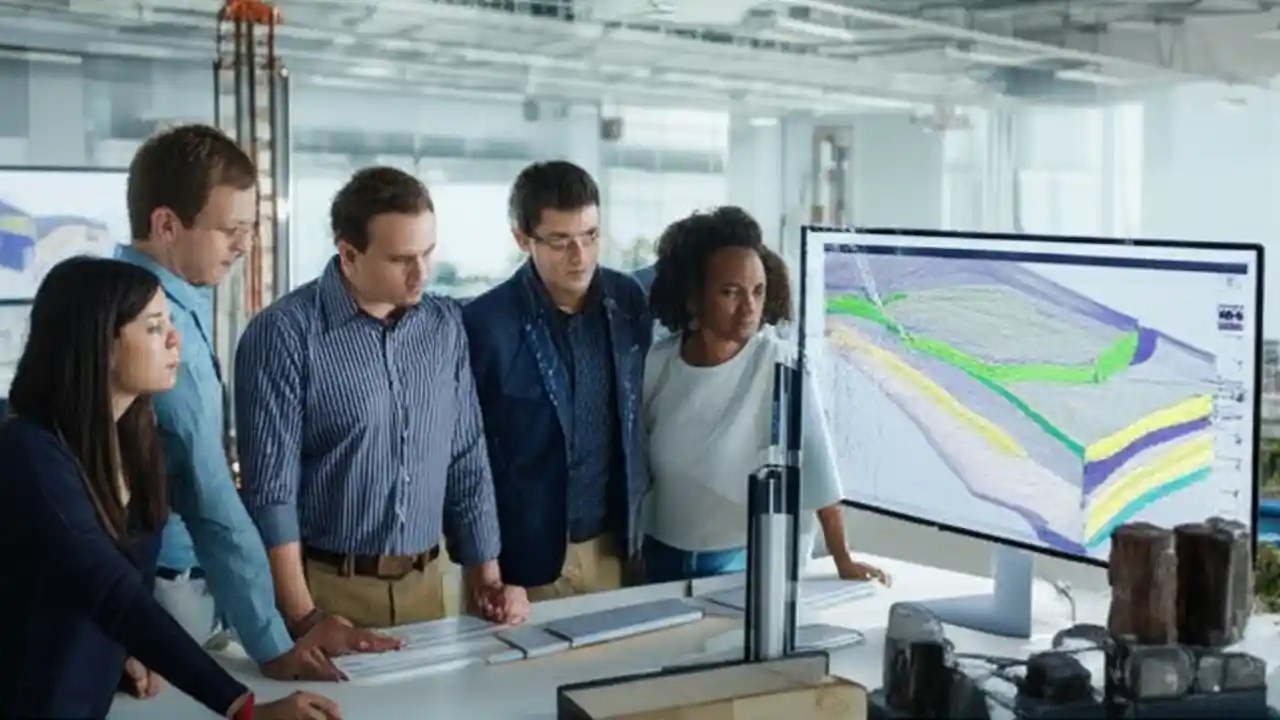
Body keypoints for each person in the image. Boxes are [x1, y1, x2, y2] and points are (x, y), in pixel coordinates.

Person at [0, 257, 338, 719]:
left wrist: (124, 652)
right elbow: (111, 591)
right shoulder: (28, 452)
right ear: (102, 343)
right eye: (154, 327)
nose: (175, 340)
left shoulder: (136, 444)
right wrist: (243, 707)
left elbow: (123, 588)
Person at [118, 123, 398, 681]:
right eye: (231, 229)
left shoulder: (141, 296)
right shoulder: (151, 322)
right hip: (164, 590)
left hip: (174, 587)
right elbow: (210, 499)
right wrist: (278, 641)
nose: (246, 245)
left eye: (250, 227)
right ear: (167, 225)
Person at [235, 166, 528, 629]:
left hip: (429, 587)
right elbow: (271, 494)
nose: (421, 274)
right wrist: (301, 616)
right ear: (349, 254)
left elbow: (466, 457)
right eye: (401, 259)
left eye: (428, 253)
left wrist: (486, 578)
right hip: (327, 591)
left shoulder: (443, 326)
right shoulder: (282, 335)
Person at [641, 206, 891, 585]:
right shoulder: (657, 364)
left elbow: (818, 464)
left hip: (744, 563)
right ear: (693, 298)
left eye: (757, 291)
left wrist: (843, 559)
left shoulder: (781, 365)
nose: (749, 307)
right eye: (730, 292)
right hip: (660, 555)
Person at [463, 161, 652, 600]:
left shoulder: (625, 301)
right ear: (522, 239)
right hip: (524, 562)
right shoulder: (487, 325)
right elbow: (469, 461)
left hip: (614, 547)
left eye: (590, 236)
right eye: (561, 241)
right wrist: (485, 568)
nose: (580, 256)